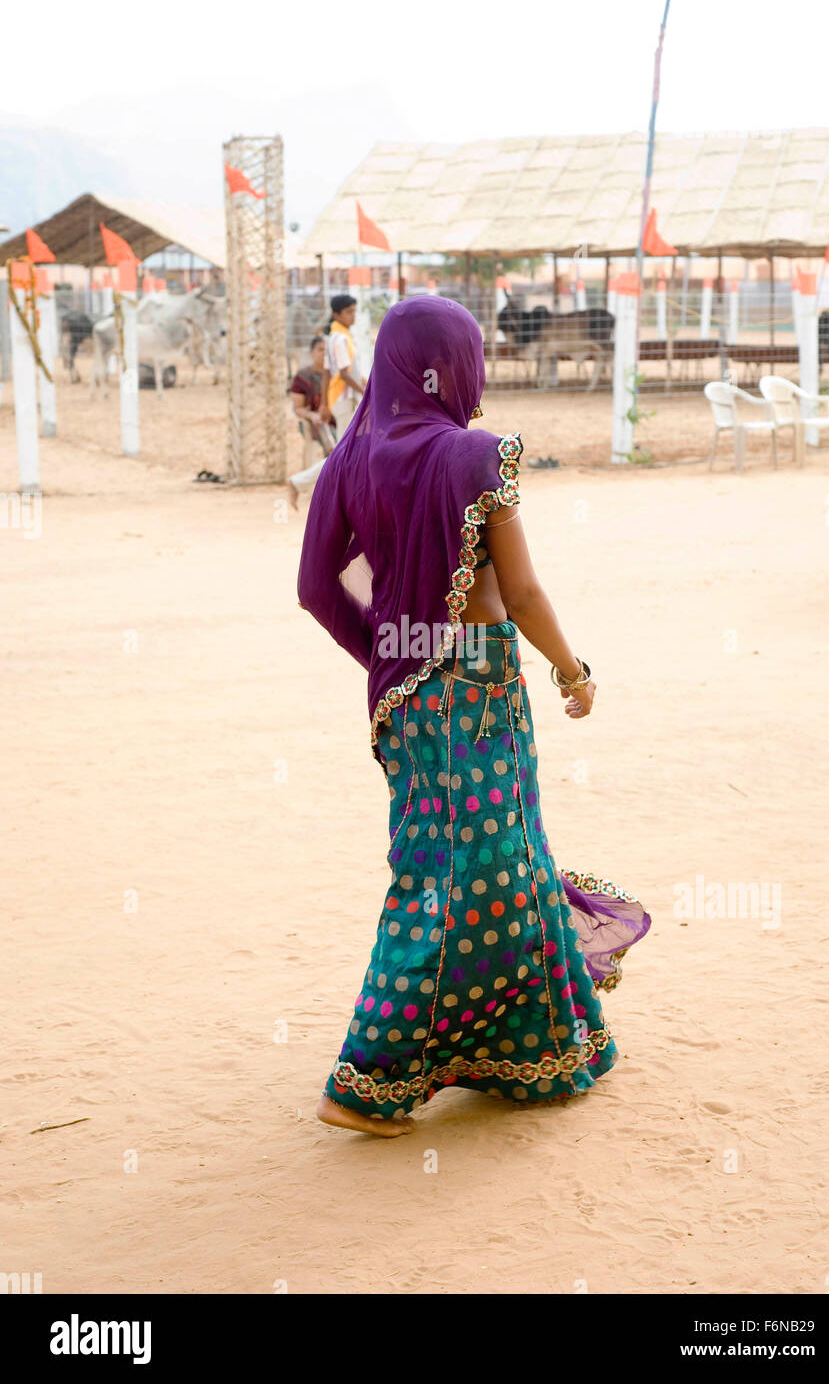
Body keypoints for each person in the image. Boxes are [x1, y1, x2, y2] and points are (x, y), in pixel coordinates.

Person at [297, 295, 650, 1137]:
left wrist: (395, 655)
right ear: (451, 365)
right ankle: (366, 1085)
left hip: (407, 704)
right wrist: (574, 672)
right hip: (483, 691)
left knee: (496, 870)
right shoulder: (470, 455)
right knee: (455, 880)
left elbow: (317, 589)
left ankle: (530, 1049)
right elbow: (520, 591)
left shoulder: (353, 457)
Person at [287, 336, 336, 508]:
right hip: (315, 423)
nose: (324, 354)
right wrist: (312, 416)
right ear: (312, 352)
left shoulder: (335, 374)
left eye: (326, 350)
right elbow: (298, 408)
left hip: (336, 422)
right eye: (320, 350)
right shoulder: (303, 376)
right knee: (337, 453)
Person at [320, 293, 366, 439]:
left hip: (340, 397)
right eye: (348, 312)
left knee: (348, 440)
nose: (353, 315)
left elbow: (327, 372)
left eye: (354, 311)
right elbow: (344, 375)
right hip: (343, 397)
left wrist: (324, 403)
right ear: (336, 315)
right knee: (345, 442)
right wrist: (364, 392)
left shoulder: (336, 336)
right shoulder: (341, 339)